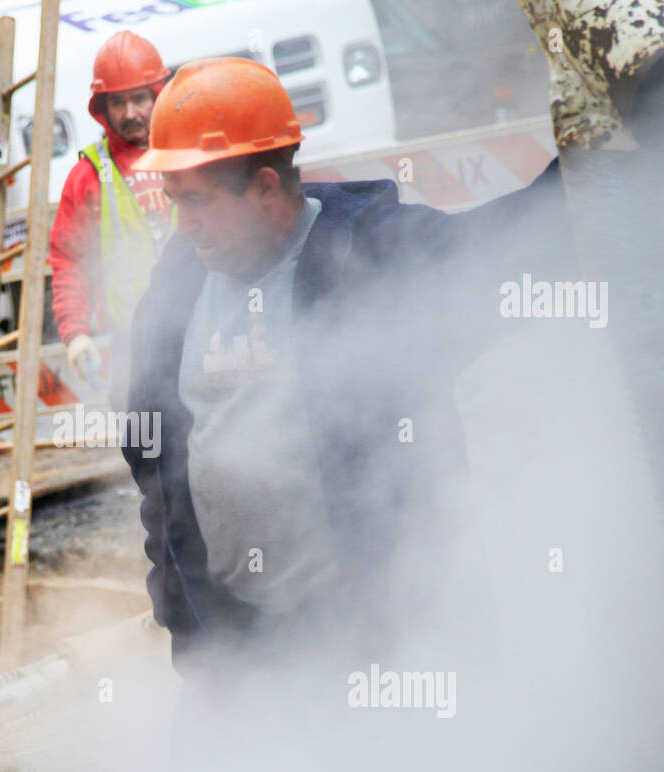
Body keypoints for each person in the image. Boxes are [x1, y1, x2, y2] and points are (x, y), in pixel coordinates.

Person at [122, 57, 568, 710]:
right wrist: (185, 622)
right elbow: (153, 459)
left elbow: (513, 247)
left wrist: (602, 152)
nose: (181, 225)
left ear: (266, 187)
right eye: (174, 200)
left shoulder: (372, 255)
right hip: (237, 652)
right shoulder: (180, 284)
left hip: (377, 646)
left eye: (195, 200)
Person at [49, 30, 175, 404]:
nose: (130, 113)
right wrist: (75, 334)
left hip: (205, 328)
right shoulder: (89, 175)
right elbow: (69, 260)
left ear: (158, 95)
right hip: (132, 346)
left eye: (139, 98)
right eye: (118, 103)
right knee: (148, 452)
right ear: (102, 109)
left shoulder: (189, 151)